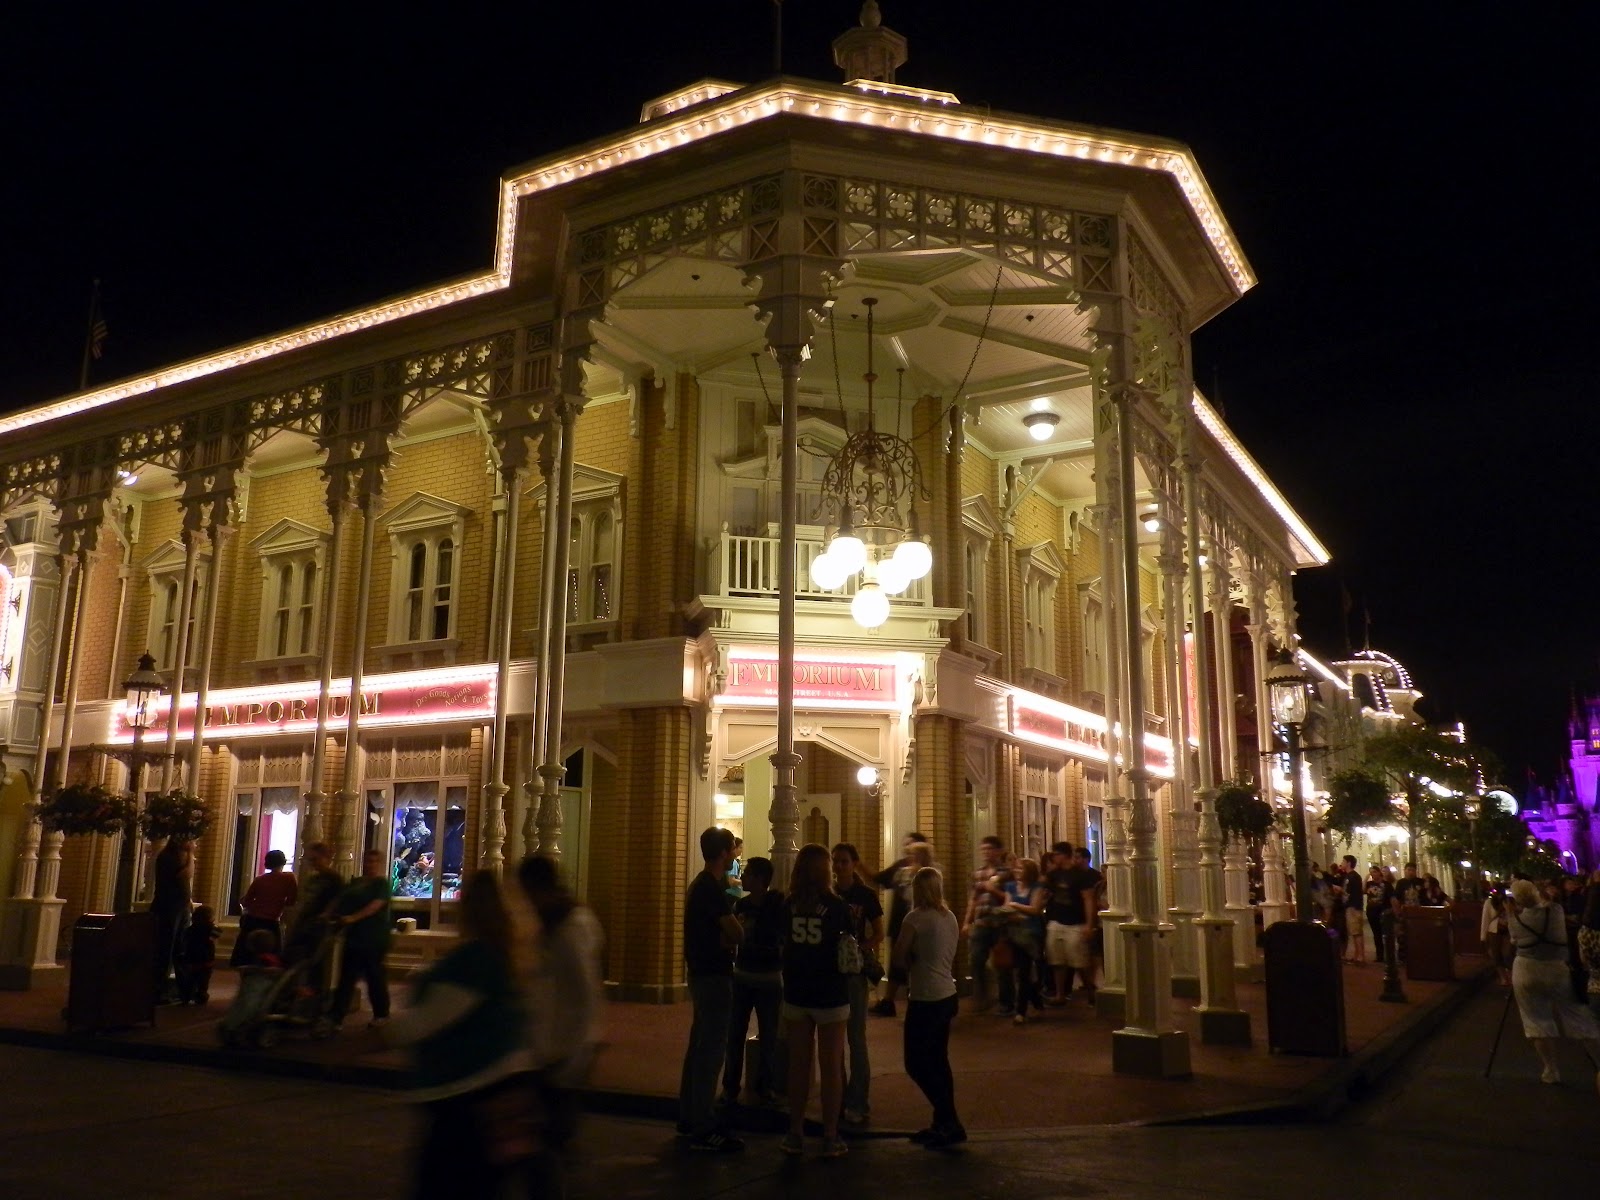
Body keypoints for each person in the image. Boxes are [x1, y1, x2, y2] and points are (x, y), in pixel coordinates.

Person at [385, 870, 537, 1199]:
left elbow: (424, 1021)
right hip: (493, 1093)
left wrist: (368, 1040)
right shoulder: (508, 957)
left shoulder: (476, 960)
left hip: (464, 1098)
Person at [517, 854, 604, 1199]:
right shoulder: (553, 924)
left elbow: (585, 996)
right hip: (547, 1050)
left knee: (548, 1142)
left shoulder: (569, 928)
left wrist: (575, 1052)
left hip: (563, 1055)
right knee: (545, 1141)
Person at [780, 842, 852, 1159]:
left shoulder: (789, 904)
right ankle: (830, 1134)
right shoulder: (836, 907)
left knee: (798, 1064)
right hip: (831, 993)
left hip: (797, 990)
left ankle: (795, 1132)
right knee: (831, 1065)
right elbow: (849, 944)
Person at [678, 826, 744, 1153]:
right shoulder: (712, 889)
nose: (735, 854)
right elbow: (735, 932)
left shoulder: (699, 886)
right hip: (714, 975)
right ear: (723, 853)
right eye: (733, 849)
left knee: (698, 1045)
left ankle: (688, 1115)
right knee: (711, 1050)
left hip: (700, 972)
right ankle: (703, 1124)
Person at [1506, 876, 1600, 1089]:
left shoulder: (1515, 919)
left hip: (1526, 969)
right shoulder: (1555, 911)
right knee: (1578, 1016)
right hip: (1556, 968)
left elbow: (1514, 940)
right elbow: (1548, 903)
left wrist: (1511, 911)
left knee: (1537, 1020)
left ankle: (1551, 1069)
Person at [893, 866, 964, 1149]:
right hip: (948, 995)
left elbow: (898, 956)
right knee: (938, 1060)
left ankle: (949, 1119)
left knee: (915, 1062)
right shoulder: (950, 918)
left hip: (925, 998)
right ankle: (943, 1122)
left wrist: (912, 961)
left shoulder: (915, 919)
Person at [723, 856, 784, 1107]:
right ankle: (730, 1086)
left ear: (760, 880)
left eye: (748, 874)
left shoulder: (776, 906)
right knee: (735, 1033)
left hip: (768, 979)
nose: (743, 877)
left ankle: (765, 1085)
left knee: (769, 1035)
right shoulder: (741, 905)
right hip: (743, 976)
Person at [832, 842, 883, 1125]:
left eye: (843, 861)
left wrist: (861, 948)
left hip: (854, 972)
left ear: (854, 863)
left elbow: (878, 930)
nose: (839, 866)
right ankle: (837, 1096)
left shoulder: (864, 895)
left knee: (856, 1036)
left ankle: (858, 1100)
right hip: (831, 972)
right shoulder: (829, 892)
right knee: (834, 1038)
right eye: (835, 861)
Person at [330, 848, 393, 1030]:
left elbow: (374, 906)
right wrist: (330, 914)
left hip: (373, 938)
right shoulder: (355, 883)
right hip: (353, 937)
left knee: (374, 977)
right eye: (367, 861)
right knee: (346, 978)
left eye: (374, 862)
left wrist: (353, 918)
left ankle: (381, 1014)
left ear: (379, 864)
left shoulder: (381, 885)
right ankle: (336, 1017)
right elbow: (340, 899)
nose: (369, 865)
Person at [872, 836, 933, 1017]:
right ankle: (896, 1002)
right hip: (904, 924)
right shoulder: (902, 872)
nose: (908, 857)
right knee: (899, 964)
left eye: (912, 854)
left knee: (919, 963)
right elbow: (883, 881)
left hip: (923, 926)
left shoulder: (930, 874)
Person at [963, 836, 1013, 1015]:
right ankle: (981, 996)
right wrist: (967, 921)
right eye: (983, 849)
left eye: (990, 849)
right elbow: (973, 899)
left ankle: (1006, 1001)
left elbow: (1012, 898)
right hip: (982, 922)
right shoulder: (978, 873)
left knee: (1003, 963)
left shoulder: (1008, 873)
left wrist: (994, 890)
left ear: (999, 851)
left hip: (1001, 923)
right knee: (976, 960)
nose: (986, 853)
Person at [1045, 843, 1099, 1005]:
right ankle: (1060, 994)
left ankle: (1090, 988)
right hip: (1056, 920)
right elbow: (1046, 892)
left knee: (1079, 961)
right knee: (1057, 960)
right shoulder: (1054, 874)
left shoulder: (1080, 875)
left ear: (1064, 855)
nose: (1054, 857)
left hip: (1075, 923)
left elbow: (1088, 899)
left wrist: (1089, 924)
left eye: (1056, 854)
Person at [231, 849, 298, 968]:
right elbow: (291, 901)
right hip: (272, 921)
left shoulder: (260, 880)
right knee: (272, 957)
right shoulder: (289, 879)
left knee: (248, 956)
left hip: (253, 920)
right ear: (283, 862)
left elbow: (246, 902)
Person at [1000, 857, 1047, 1024]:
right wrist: (1014, 909)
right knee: (1021, 970)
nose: (1017, 871)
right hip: (1013, 933)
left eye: (1021, 869)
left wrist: (1014, 905)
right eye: (1016, 869)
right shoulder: (1010, 886)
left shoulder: (1037, 887)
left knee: (1024, 971)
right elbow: (1006, 908)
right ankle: (1035, 1001)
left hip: (1031, 934)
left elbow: (1035, 909)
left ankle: (1021, 1011)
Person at [284, 841, 343, 963]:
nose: (313, 863)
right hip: (307, 920)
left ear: (326, 858)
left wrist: (326, 914)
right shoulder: (314, 879)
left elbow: (337, 899)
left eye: (316, 859)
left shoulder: (334, 879)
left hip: (320, 924)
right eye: (311, 860)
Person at [150, 836, 193, 1002]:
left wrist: (187, 902)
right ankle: (158, 989)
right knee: (166, 946)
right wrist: (190, 855)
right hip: (169, 906)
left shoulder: (175, 856)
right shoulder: (168, 857)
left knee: (179, 947)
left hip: (179, 906)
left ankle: (182, 989)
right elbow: (185, 875)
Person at [176, 905, 219, 1004]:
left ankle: (186, 996)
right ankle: (201, 995)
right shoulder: (211, 929)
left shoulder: (190, 929)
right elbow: (215, 936)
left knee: (190, 978)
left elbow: (184, 940)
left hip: (191, 958)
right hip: (206, 959)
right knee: (203, 981)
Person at [1364, 864, 1396, 963]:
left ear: (1379, 872)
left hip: (1383, 911)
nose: (1372, 874)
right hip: (1372, 912)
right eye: (1371, 872)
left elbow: (1392, 898)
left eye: (1374, 871)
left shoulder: (1386, 885)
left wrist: (1393, 910)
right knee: (1376, 934)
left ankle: (1390, 955)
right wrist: (1365, 878)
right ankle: (1380, 955)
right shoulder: (1369, 884)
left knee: (1386, 934)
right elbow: (1362, 890)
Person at [1481, 887, 1512, 985]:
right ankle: (1503, 977)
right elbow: (1485, 919)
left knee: (1508, 954)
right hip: (1494, 931)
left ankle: (1510, 974)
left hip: (1507, 930)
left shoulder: (1508, 901)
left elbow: (1512, 915)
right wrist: (1483, 936)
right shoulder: (1489, 903)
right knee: (1496, 955)